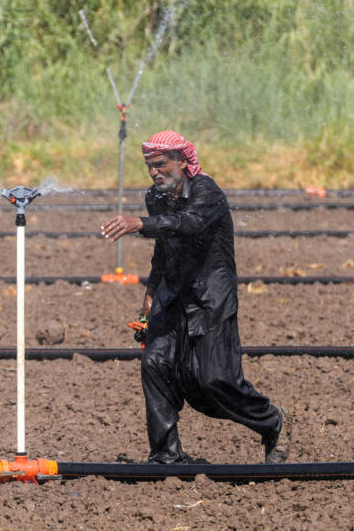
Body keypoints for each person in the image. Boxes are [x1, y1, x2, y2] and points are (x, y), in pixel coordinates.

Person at [100, 130, 289, 464]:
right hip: (173, 295)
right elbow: (165, 248)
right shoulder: (155, 198)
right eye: (150, 167)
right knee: (154, 364)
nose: (155, 172)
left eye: (160, 164)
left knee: (214, 380)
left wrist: (140, 224)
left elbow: (188, 224)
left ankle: (272, 421)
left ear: (183, 162)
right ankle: (166, 455)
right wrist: (150, 296)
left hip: (210, 298)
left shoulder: (207, 191)